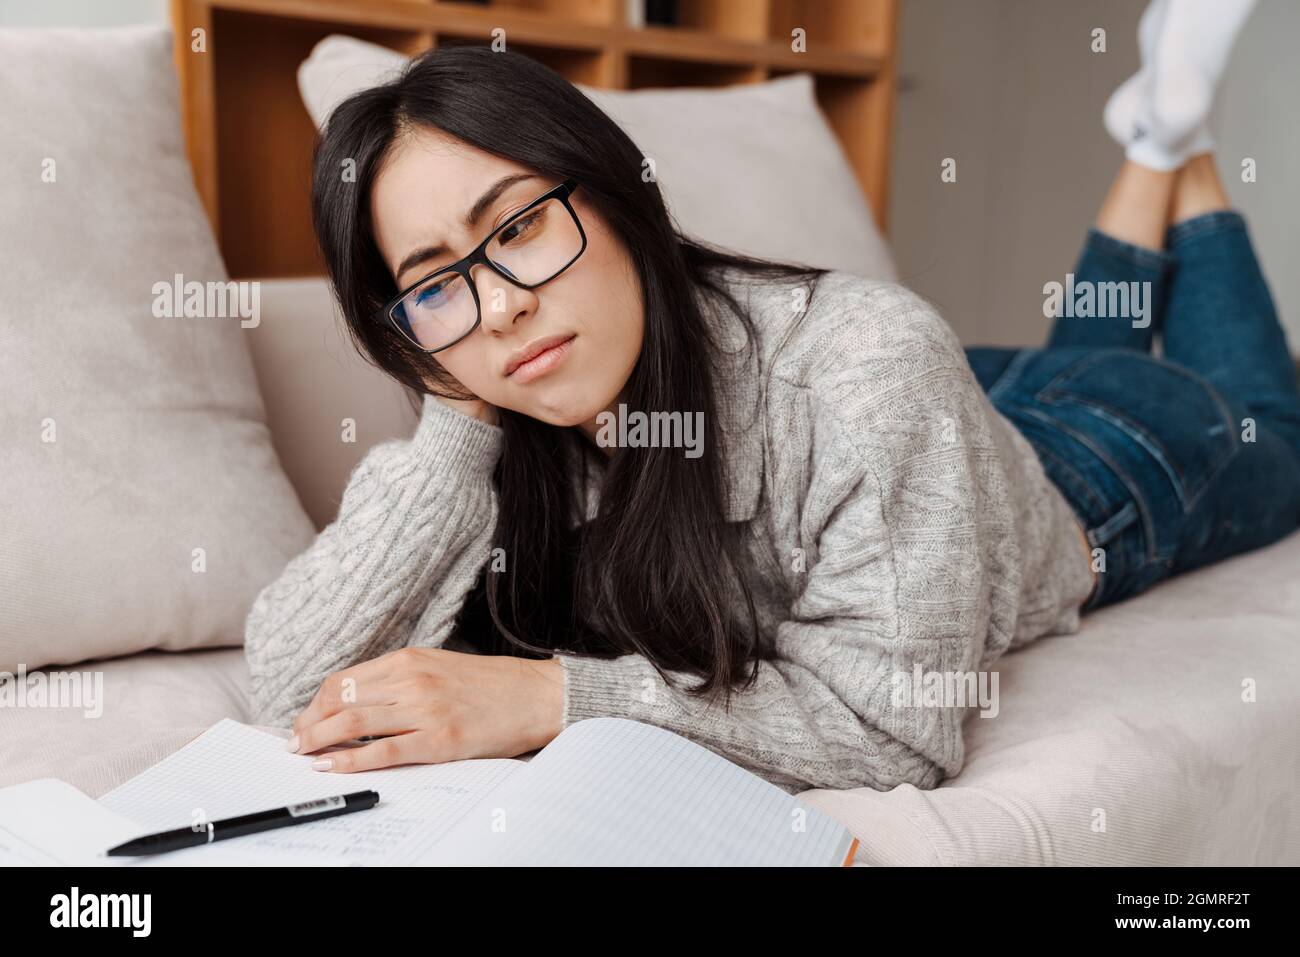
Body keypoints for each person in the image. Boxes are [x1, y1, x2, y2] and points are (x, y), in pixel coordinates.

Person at [244, 0, 1295, 793]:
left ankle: (1176, 150)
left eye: (518, 228)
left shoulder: (868, 365)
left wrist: (558, 698)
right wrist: (454, 414)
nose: (503, 305)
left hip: (1086, 466)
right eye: (436, 281)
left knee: (1277, 429)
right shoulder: (497, 386)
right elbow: (290, 686)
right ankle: (1157, 135)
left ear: (616, 195)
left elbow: (892, 730)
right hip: (929, 422)